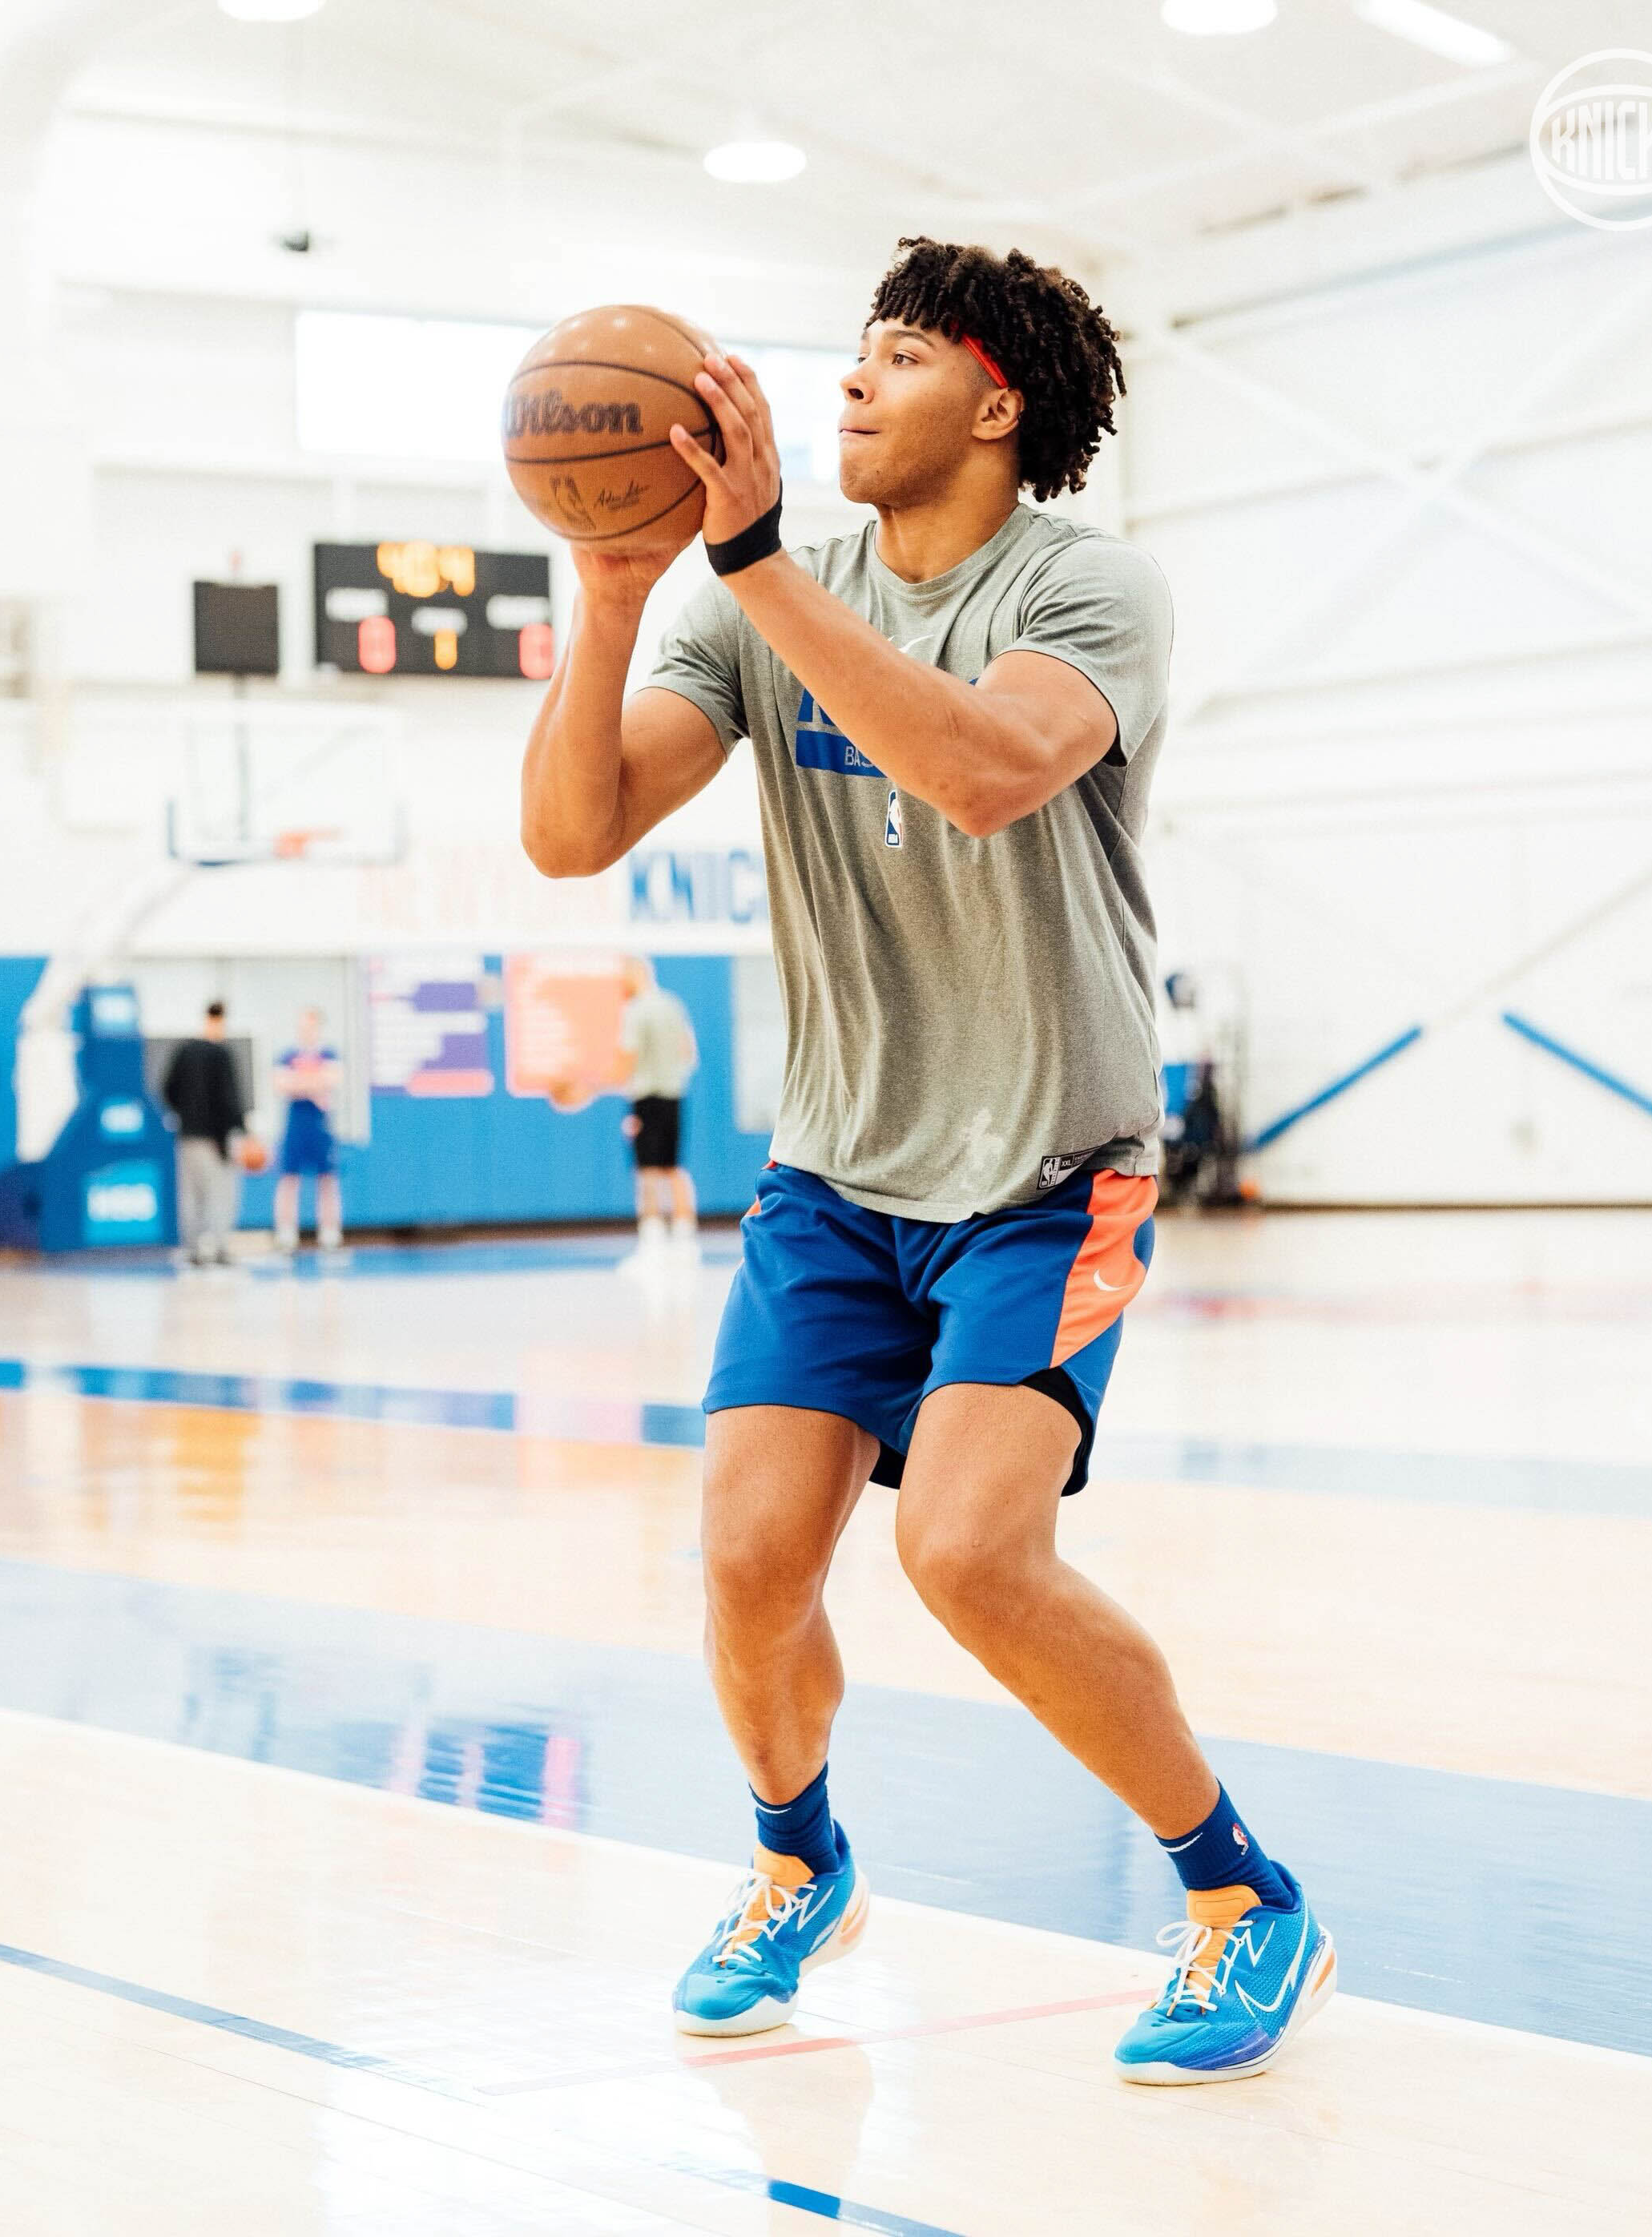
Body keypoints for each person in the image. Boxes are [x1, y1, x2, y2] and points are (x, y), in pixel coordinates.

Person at [521, 236, 1333, 2086]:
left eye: (899, 352)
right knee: (747, 1560)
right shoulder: (755, 595)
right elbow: (573, 833)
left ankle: (1244, 1893)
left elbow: (981, 769)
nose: (852, 379)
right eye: (855, 348)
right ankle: (796, 1863)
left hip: (1053, 1162)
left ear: (998, 400)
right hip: (836, 1170)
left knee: (967, 1548)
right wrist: (616, 586)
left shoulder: (1087, 585)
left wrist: (748, 565)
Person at [614, 956, 699, 1270]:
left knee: (647, 1171)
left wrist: (619, 1081)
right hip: (674, 1094)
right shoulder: (672, 1005)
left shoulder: (635, 1011)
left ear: (636, 974)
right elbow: (688, 1051)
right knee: (673, 1167)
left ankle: (652, 1247)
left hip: (646, 1097)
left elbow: (628, 1055)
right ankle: (686, 1241)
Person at [160, 999, 247, 1266]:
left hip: (188, 1135)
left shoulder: (184, 1051)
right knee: (219, 1194)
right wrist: (238, 1131)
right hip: (215, 1139)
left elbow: (167, 1089)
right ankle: (219, 1248)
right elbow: (229, 1100)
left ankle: (194, 1250)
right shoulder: (221, 1054)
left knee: (191, 1196)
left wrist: (186, 1115)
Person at [272, 1006, 344, 1252]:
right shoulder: (287, 1055)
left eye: (311, 1026)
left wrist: (300, 1082)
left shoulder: (329, 1054)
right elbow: (281, 1085)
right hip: (296, 1123)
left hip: (320, 1124)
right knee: (289, 1177)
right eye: (303, 1026)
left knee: (327, 1178)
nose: (306, 1031)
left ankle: (330, 1232)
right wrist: (314, 1085)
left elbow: (331, 1079)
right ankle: (286, 1232)